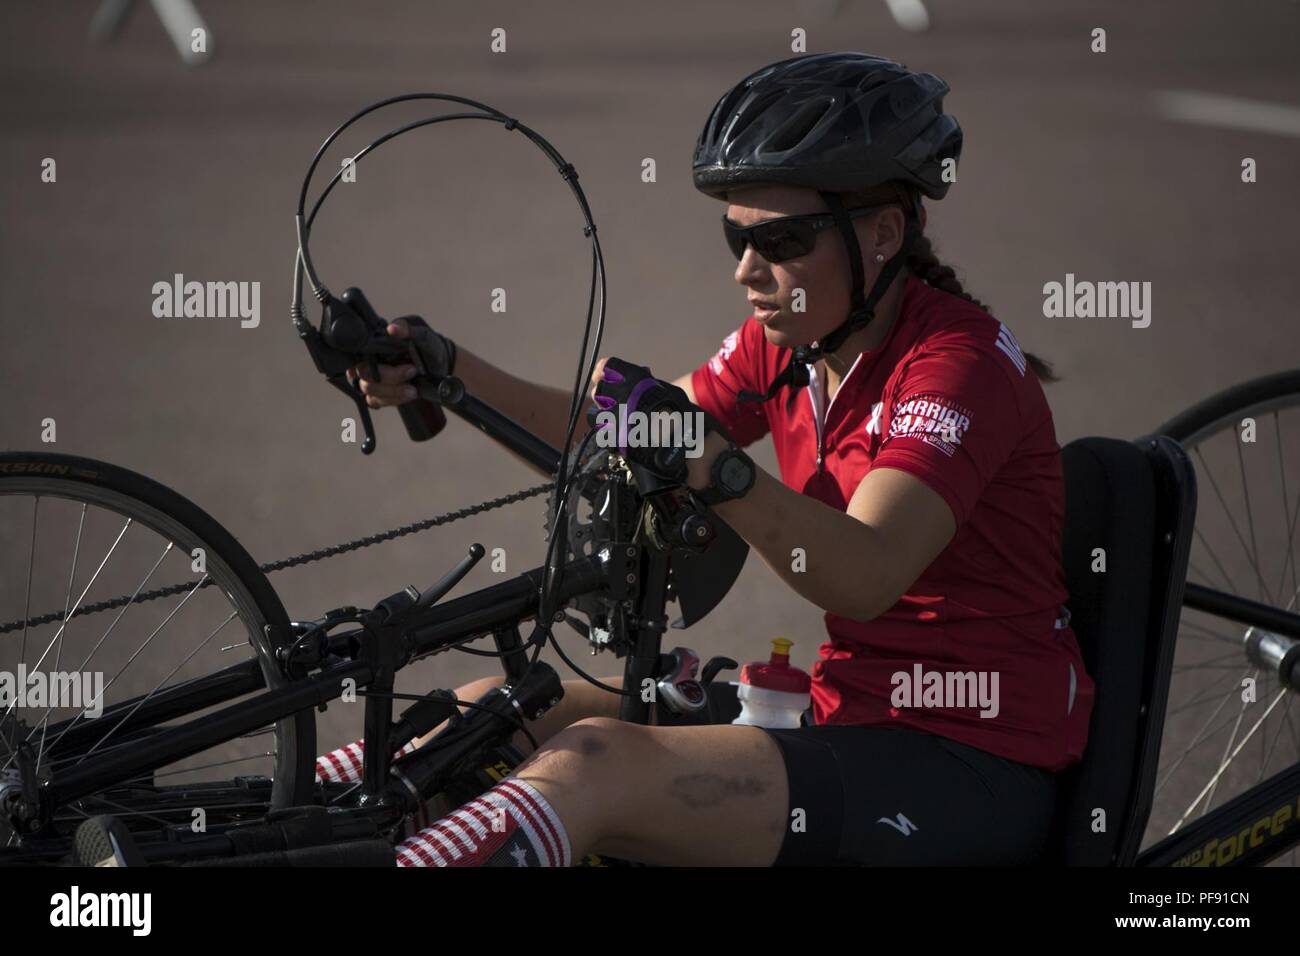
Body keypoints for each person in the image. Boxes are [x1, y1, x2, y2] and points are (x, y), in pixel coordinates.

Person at [323, 52, 1096, 867]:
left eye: (782, 241)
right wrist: (449, 372)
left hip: (971, 758)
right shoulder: (792, 345)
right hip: (852, 711)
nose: (745, 270)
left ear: (884, 233)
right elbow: (609, 436)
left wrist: (716, 468)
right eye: (737, 236)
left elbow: (865, 573)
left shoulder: (956, 368)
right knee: (485, 712)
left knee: (594, 770)